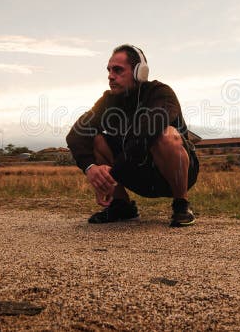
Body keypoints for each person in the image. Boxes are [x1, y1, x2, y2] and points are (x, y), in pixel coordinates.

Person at [66, 44, 198, 227]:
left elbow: (146, 133)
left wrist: (111, 175)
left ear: (139, 72)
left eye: (118, 70)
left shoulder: (161, 93)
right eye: (109, 70)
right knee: (95, 139)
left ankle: (181, 204)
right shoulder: (107, 101)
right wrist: (92, 169)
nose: (110, 76)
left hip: (173, 174)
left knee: (165, 135)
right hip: (135, 172)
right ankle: (122, 206)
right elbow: (75, 135)